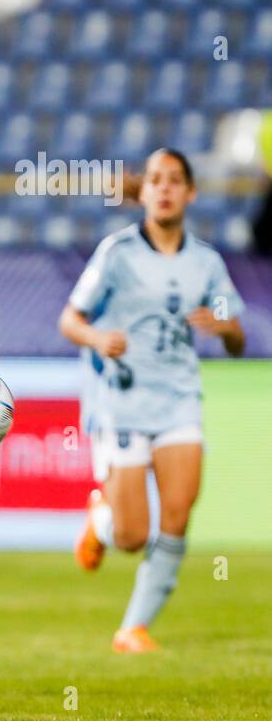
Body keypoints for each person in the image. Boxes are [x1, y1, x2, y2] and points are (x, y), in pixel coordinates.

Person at [61, 148, 246, 652]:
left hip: (179, 398)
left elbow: (236, 337)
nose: (164, 188)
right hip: (123, 399)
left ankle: (133, 628)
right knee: (132, 537)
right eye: (156, 180)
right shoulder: (116, 253)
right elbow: (70, 319)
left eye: (175, 180)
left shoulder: (207, 263)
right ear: (142, 193)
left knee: (179, 514)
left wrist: (225, 326)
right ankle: (102, 519)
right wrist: (98, 339)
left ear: (191, 193)